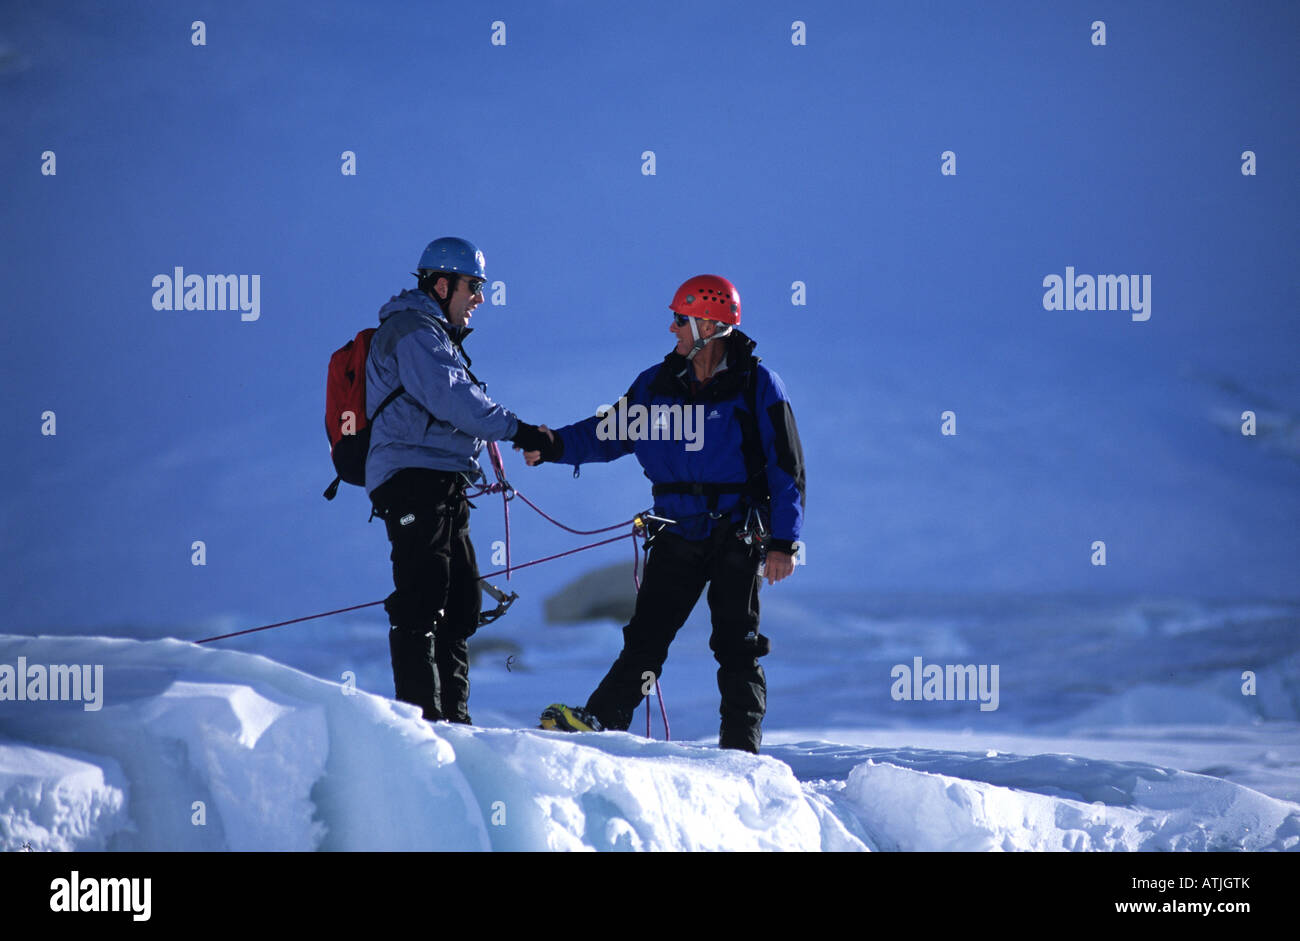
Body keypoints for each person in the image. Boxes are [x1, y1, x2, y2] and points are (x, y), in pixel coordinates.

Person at [527, 274, 806, 752]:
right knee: (646, 639)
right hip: (676, 530)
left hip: (738, 531)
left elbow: (788, 468)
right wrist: (552, 445)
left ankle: (740, 751)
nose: (673, 329)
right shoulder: (655, 384)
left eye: (681, 319)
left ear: (710, 324)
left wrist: (784, 542)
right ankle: (602, 721)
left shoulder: (759, 384)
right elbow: (607, 433)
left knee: (735, 645)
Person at [365, 236, 552, 723]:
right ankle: (424, 727)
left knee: (461, 605)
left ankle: (456, 724)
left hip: (442, 482)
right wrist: (521, 429)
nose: (480, 298)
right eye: (474, 286)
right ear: (442, 284)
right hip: (410, 479)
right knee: (422, 599)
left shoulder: (433, 334)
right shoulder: (412, 331)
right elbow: (454, 401)